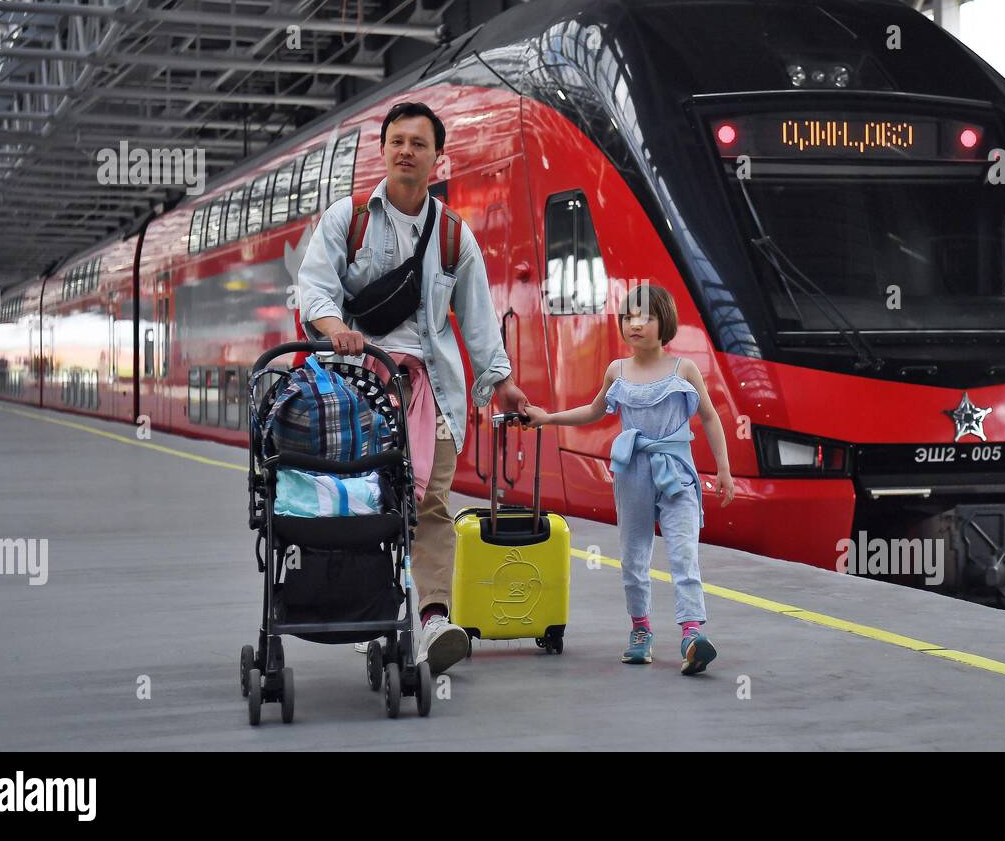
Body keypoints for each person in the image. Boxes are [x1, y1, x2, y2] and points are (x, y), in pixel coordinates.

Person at [296, 101, 530, 674]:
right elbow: (314, 289)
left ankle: (433, 621)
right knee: (364, 502)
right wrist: (338, 331)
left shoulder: (454, 236)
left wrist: (501, 385)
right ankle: (371, 608)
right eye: (397, 140)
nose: (406, 151)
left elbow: (478, 322)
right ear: (383, 150)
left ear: (436, 157)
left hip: (435, 392)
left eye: (418, 143)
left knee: (429, 504)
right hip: (355, 392)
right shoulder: (345, 219)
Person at [523, 284, 734, 675]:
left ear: (664, 323)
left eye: (646, 317)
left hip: (677, 474)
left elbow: (709, 416)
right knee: (633, 557)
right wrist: (547, 418)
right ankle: (641, 630)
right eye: (628, 317)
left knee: (684, 555)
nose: (635, 325)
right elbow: (592, 411)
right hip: (632, 472)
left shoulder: (683, 369)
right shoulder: (616, 370)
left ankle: (691, 634)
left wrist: (723, 469)